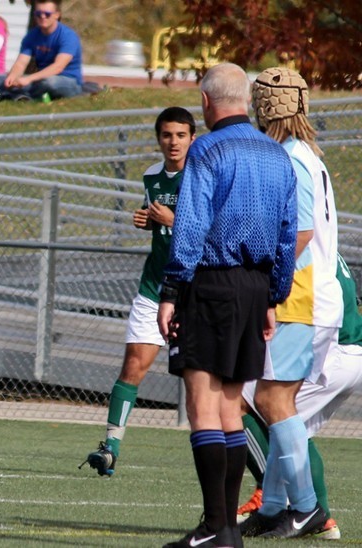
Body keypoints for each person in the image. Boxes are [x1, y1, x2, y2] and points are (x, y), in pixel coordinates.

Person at [156, 62, 298, 548]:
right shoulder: (278, 156)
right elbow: (286, 235)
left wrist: (171, 291)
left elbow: (192, 224)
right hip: (256, 286)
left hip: (212, 283)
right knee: (231, 407)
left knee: (203, 402)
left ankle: (214, 527)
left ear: (206, 102)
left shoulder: (208, 149)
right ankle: (227, 533)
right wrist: (273, 297)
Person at [239, 66, 340, 539]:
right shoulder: (302, 154)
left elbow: (298, 233)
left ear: (267, 107)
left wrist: (267, 283)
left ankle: (306, 506)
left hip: (300, 296)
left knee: (269, 399)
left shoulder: (291, 159)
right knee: (278, 403)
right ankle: (277, 504)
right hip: (308, 295)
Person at [81, 107, 196, 477]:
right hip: (155, 286)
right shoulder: (151, 175)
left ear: (193, 137)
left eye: (180, 135)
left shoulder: (202, 175)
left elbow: (209, 233)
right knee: (132, 366)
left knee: (207, 383)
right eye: (166, 135)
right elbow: (162, 228)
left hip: (196, 290)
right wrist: (147, 221)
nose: (173, 142)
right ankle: (110, 447)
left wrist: (171, 221)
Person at [236, 254, 362, 541]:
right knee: (294, 428)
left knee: (238, 400)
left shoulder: (299, 242)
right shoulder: (325, 246)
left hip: (335, 353)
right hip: (348, 351)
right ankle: (315, 518)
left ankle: (286, 505)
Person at [0, 0, 82, 101]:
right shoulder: (32, 35)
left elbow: (58, 67)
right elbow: (21, 63)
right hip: (41, 80)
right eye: (38, 14)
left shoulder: (68, 36)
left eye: (47, 14)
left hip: (68, 81)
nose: (42, 17)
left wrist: (28, 79)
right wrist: (12, 77)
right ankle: (23, 95)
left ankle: (18, 94)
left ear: (57, 15)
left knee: (49, 83)